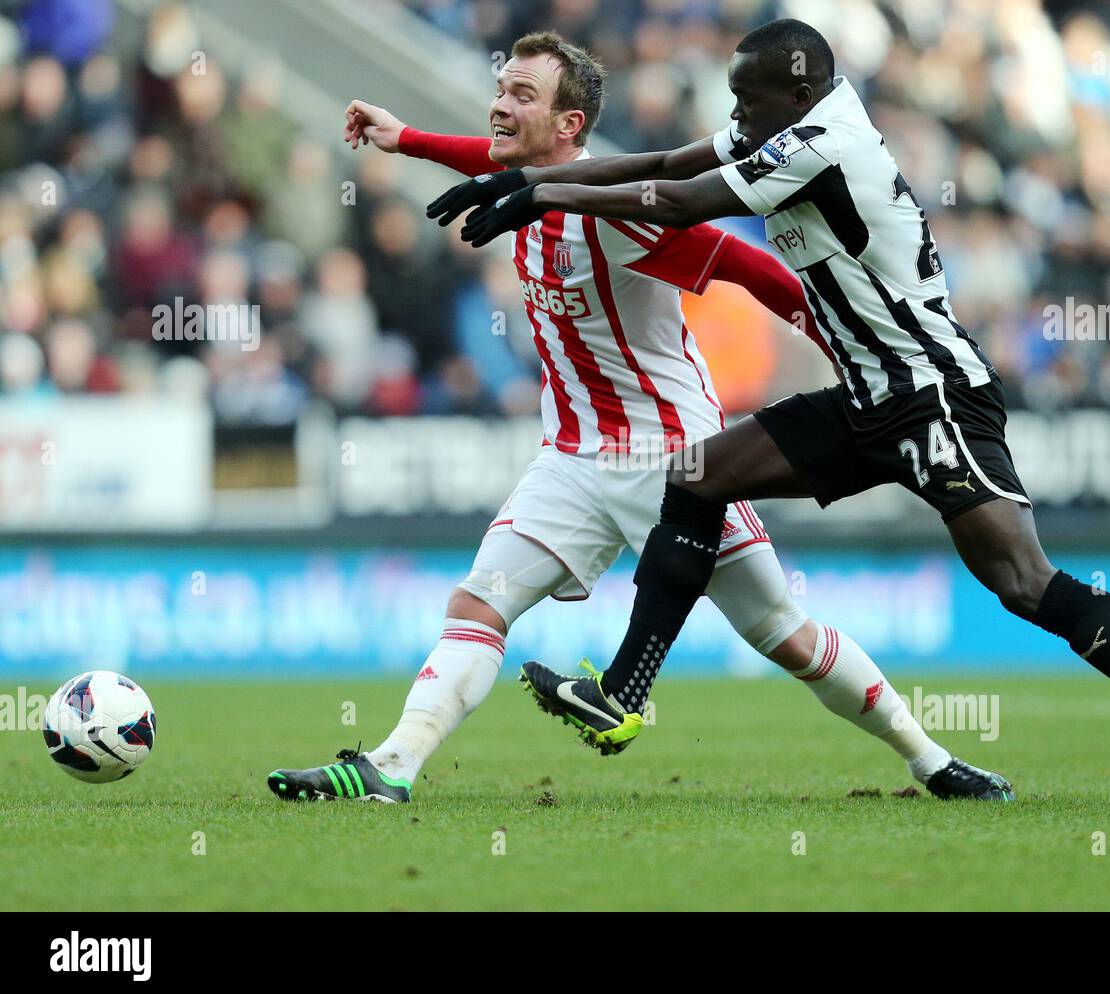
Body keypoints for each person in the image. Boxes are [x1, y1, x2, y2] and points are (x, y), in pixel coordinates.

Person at [432, 19, 1110, 807]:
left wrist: (552, 194)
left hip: (932, 394)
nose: (736, 115)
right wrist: (535, 179)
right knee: (699, 474)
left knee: (1027, 586)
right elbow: (669, 161)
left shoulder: (822, 144)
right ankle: (623, 691)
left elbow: (681, 201)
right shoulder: (778, 123)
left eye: (748, 100)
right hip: (866, 397)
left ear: (796, 97)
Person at [267, 30, 1012, 804]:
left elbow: (745, 264)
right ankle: (390, 767)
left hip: (670, 455)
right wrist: (405, 139)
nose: (499, 103)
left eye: (523, 95)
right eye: (502, 89)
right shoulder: (526, 178)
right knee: (478, 601)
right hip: (571, 455)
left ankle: (931, 759)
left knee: (784, 633)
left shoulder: (618, 214)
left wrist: (842, 342)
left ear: (570, 128)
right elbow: (498, 167)